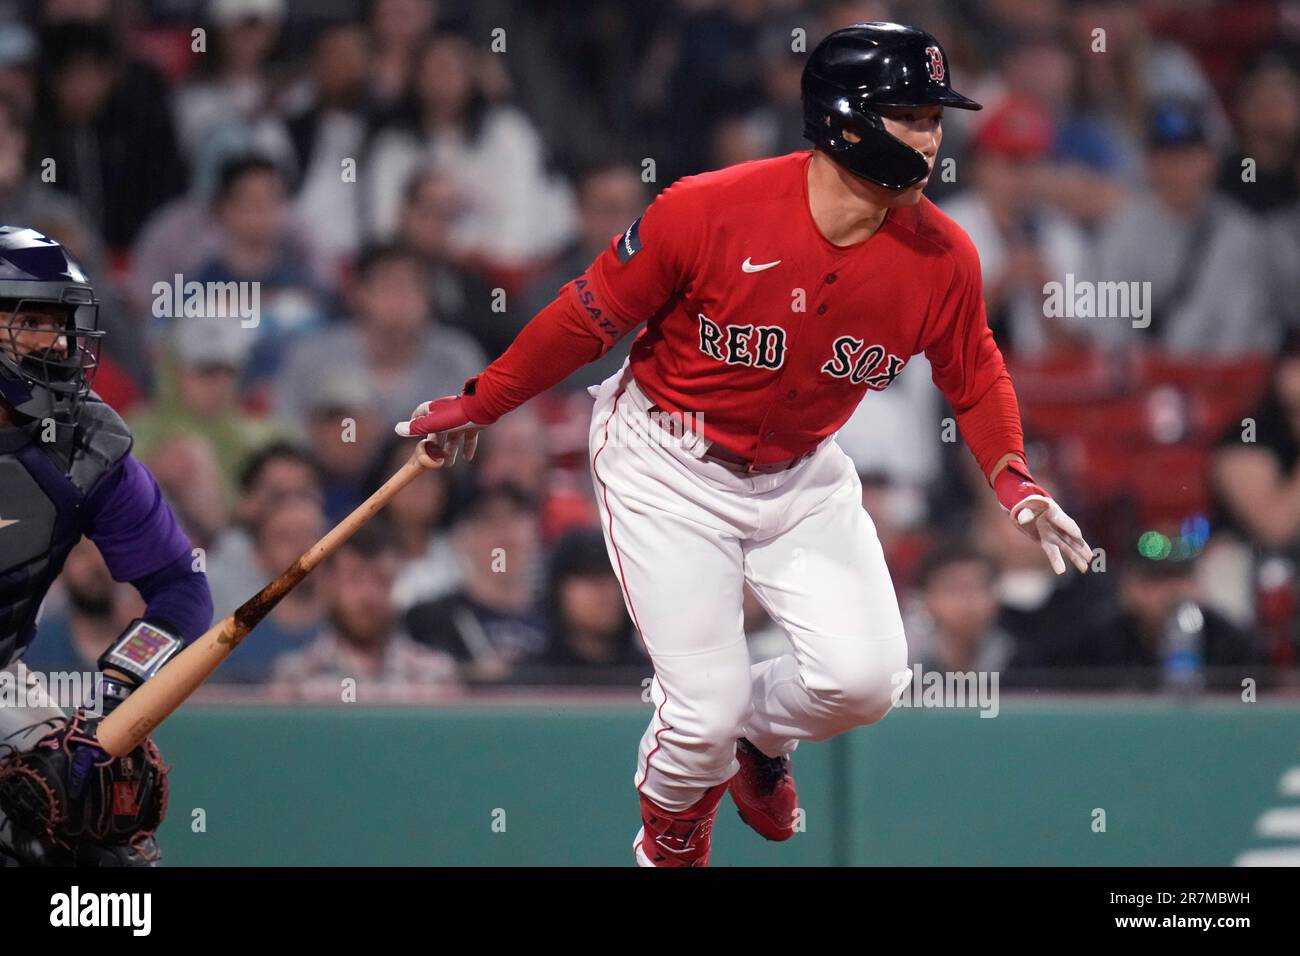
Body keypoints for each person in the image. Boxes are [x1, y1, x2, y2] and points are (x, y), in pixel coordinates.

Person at [395, 23, 1092, 867]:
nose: (933, 137)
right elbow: (590, 314)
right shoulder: (709, 209)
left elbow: (975, 372)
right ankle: (672, 843)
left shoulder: (942, 256)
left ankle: (761, 740)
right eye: (911, 115)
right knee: (701, 712)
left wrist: (1016, 481)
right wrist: (484, 401)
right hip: (667, 462)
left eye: (935, 118)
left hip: (800, 475)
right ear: (845, 121)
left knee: (868, 681)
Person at [0, 226, 213, 865]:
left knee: (100, 851)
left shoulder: (83, 443)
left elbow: (180, 588)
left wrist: (114, 698)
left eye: (63, 322)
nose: (58, 341)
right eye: (32, 319)